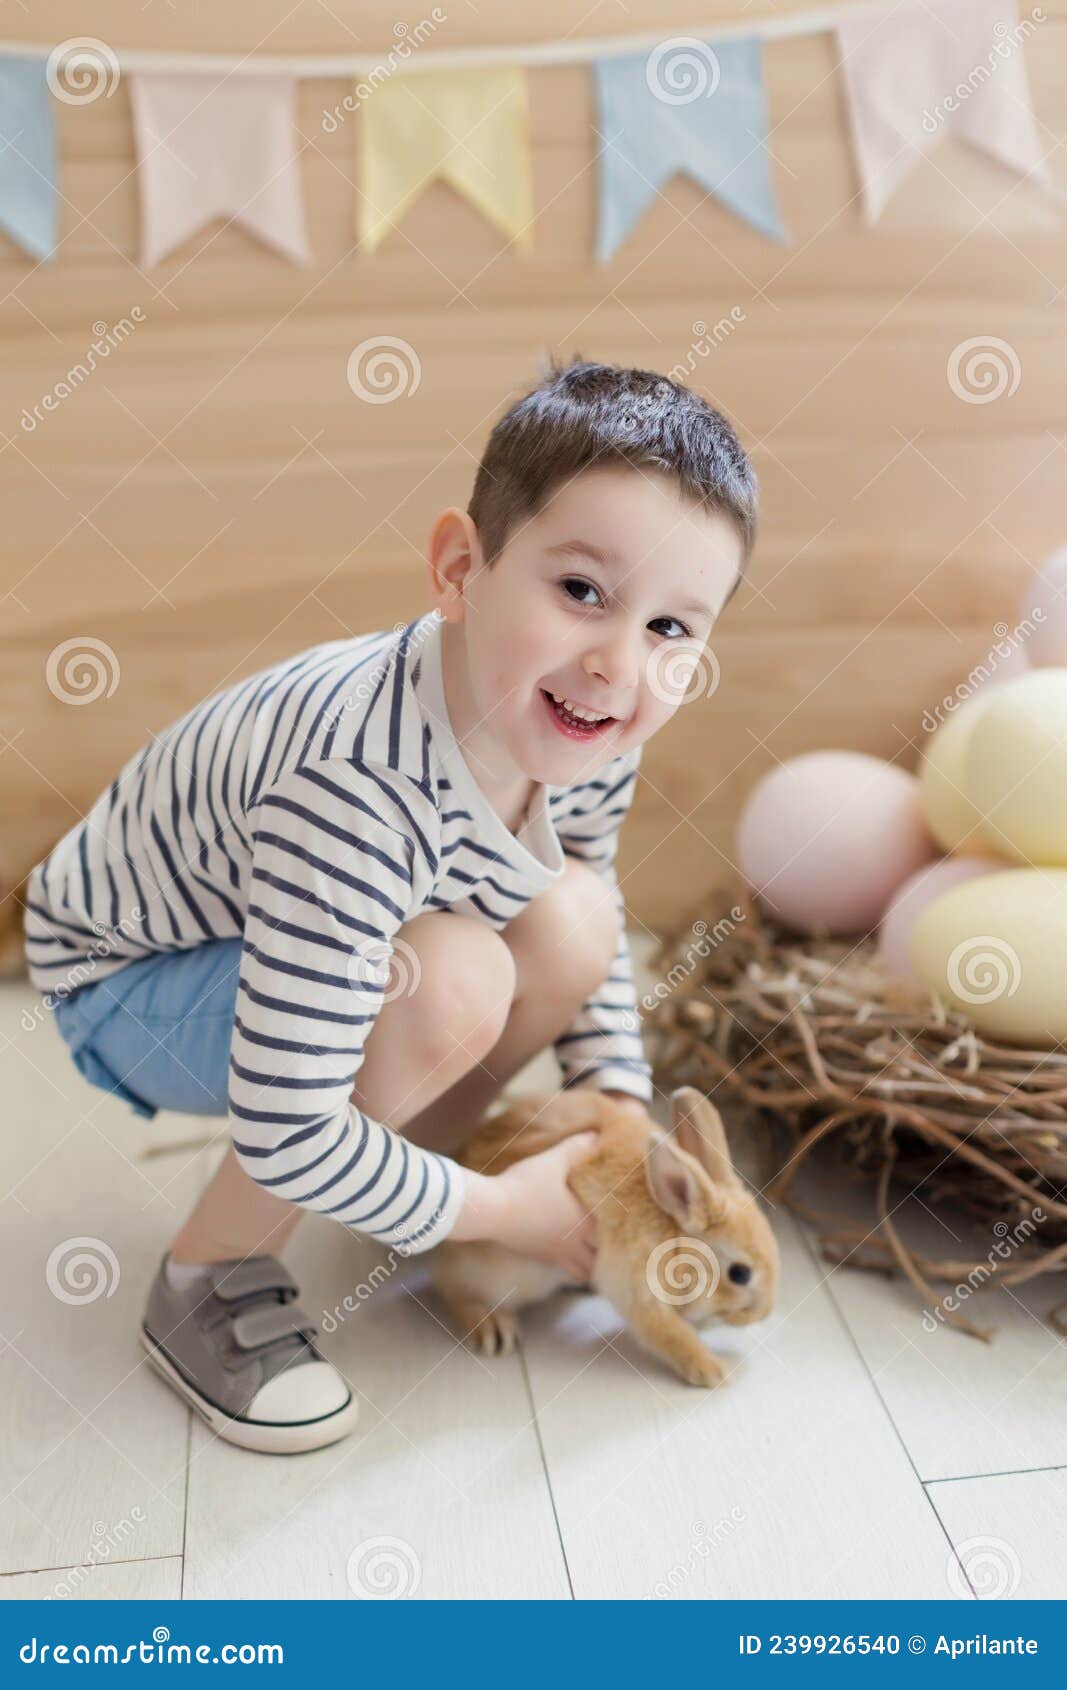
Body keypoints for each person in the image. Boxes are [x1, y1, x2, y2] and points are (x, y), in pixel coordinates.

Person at [23, 356, 757, 1454]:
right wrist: (510, 1212)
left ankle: (404, 1177)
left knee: (570, 918)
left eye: (669, 629)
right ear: (461, 567)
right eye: (581, 592)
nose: (618, 662)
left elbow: (588, 882)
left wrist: (615, 1103)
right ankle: (208, 1277)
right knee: (454, 979)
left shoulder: (581, 723)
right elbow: (282, 1128)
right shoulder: (352, 786)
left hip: (314, 946)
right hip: (125, 981)